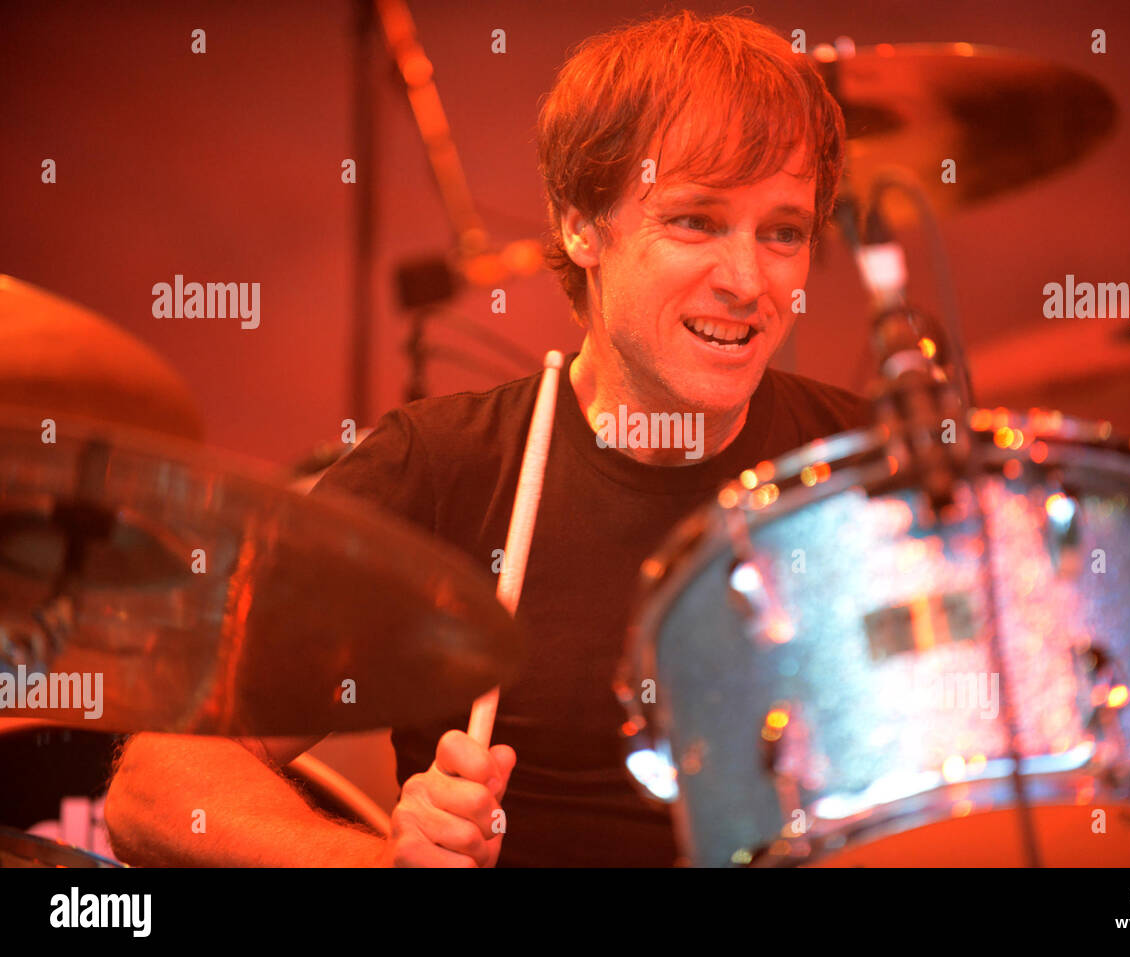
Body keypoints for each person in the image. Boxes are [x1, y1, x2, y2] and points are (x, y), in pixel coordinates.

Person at [105, 9, 866, 867]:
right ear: (581, 222)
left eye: (783, 232)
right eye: (695, 221)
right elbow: (160, 781)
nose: (746, 280)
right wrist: (380, 863)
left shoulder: (866, 467)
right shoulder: (441, 471)